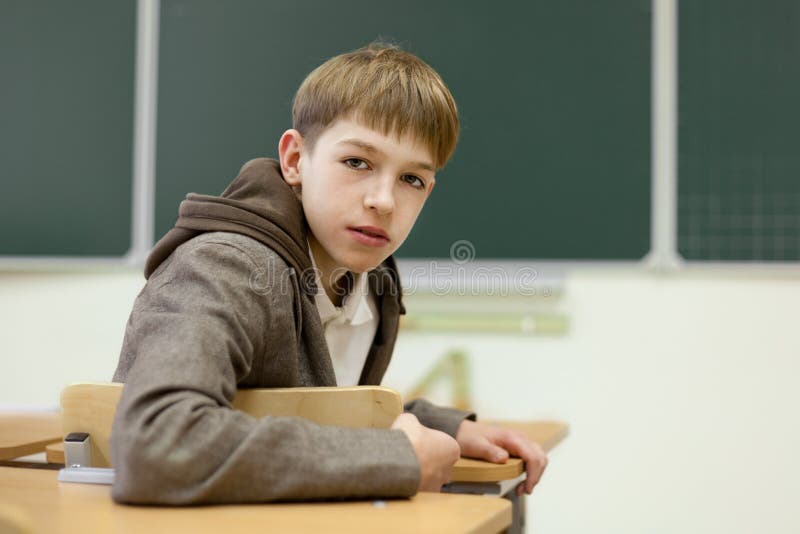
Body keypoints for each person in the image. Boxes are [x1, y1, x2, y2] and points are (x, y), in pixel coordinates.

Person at [110, 42, 547, 504]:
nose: (384, 201)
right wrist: (394, 457)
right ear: (296, 160)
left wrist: (442, 426)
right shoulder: (226, 267)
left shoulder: (373, 282)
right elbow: (156, 444)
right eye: (357, 162)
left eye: (412, 179)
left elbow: (305, 401)